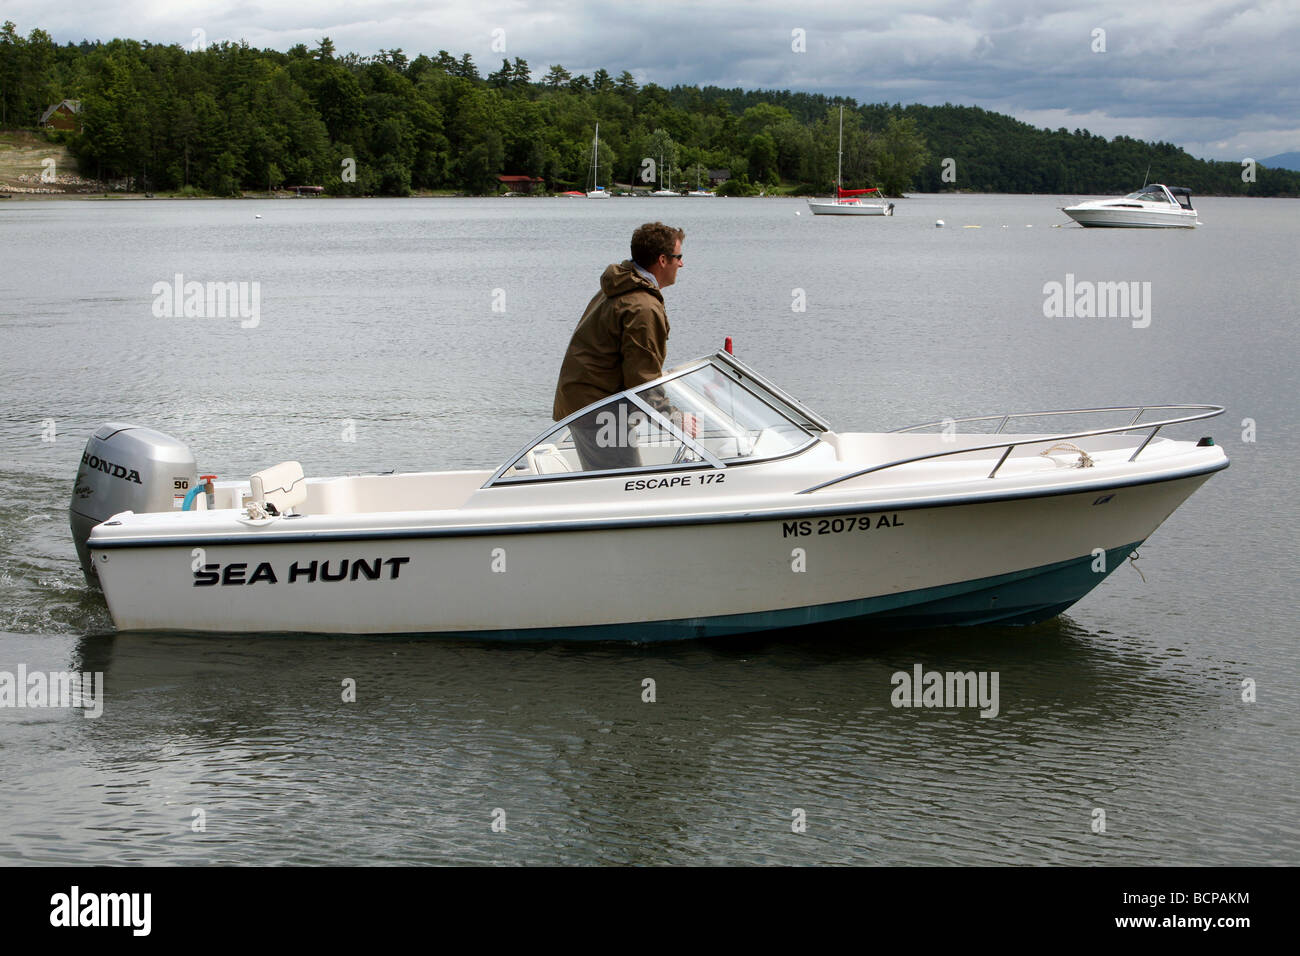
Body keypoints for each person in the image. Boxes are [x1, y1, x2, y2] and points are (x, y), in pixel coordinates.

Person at [552, 221, 695, 471]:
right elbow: (642, 379)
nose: (681, 264)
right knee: (621, 488)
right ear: (663, 260)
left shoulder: (624, 284)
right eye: (678, 257)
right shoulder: (642, 307)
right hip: (598, 410)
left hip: (586, 402)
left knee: (610, 483)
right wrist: (676, 419)